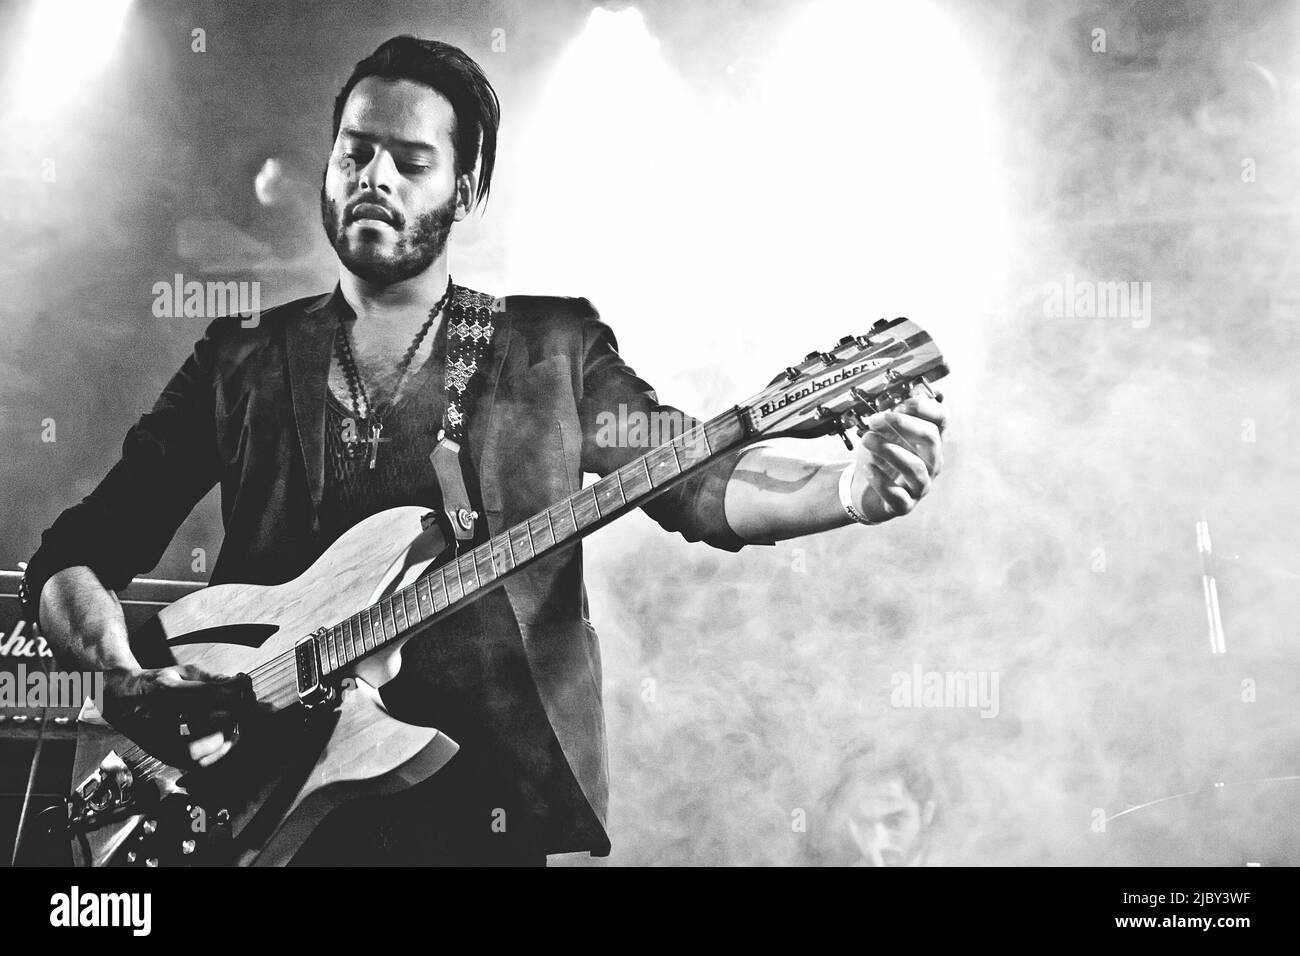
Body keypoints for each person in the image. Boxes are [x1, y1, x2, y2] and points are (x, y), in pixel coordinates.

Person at [21, 35, 948, 865]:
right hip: (249, 795)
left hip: (479, 809)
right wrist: (124, 678)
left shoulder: (551, 348)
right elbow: (81, 551)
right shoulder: (241, 358)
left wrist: (847, 490)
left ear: (465, 191)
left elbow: (693, 480)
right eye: (356, 152)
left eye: (410, 161)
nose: (373, 177)